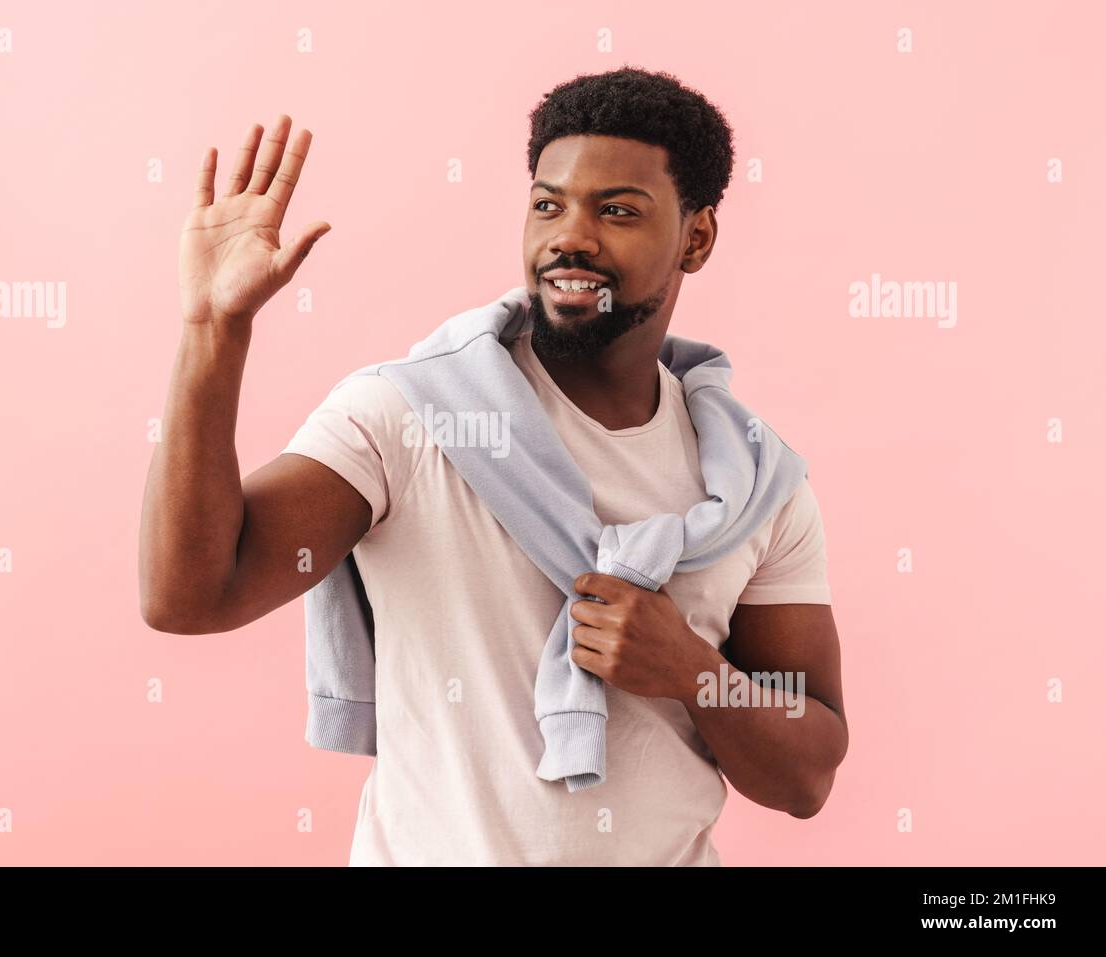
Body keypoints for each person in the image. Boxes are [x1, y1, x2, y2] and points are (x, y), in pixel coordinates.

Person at [138, 66, 848, 866]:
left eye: (616, 210)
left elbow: (808, 772)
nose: (569, 235)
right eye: (548, 204)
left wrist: (690, 668)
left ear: (697, 237)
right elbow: (189, 594)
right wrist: (212, 330)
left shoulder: (753, 485)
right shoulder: (410, 416)